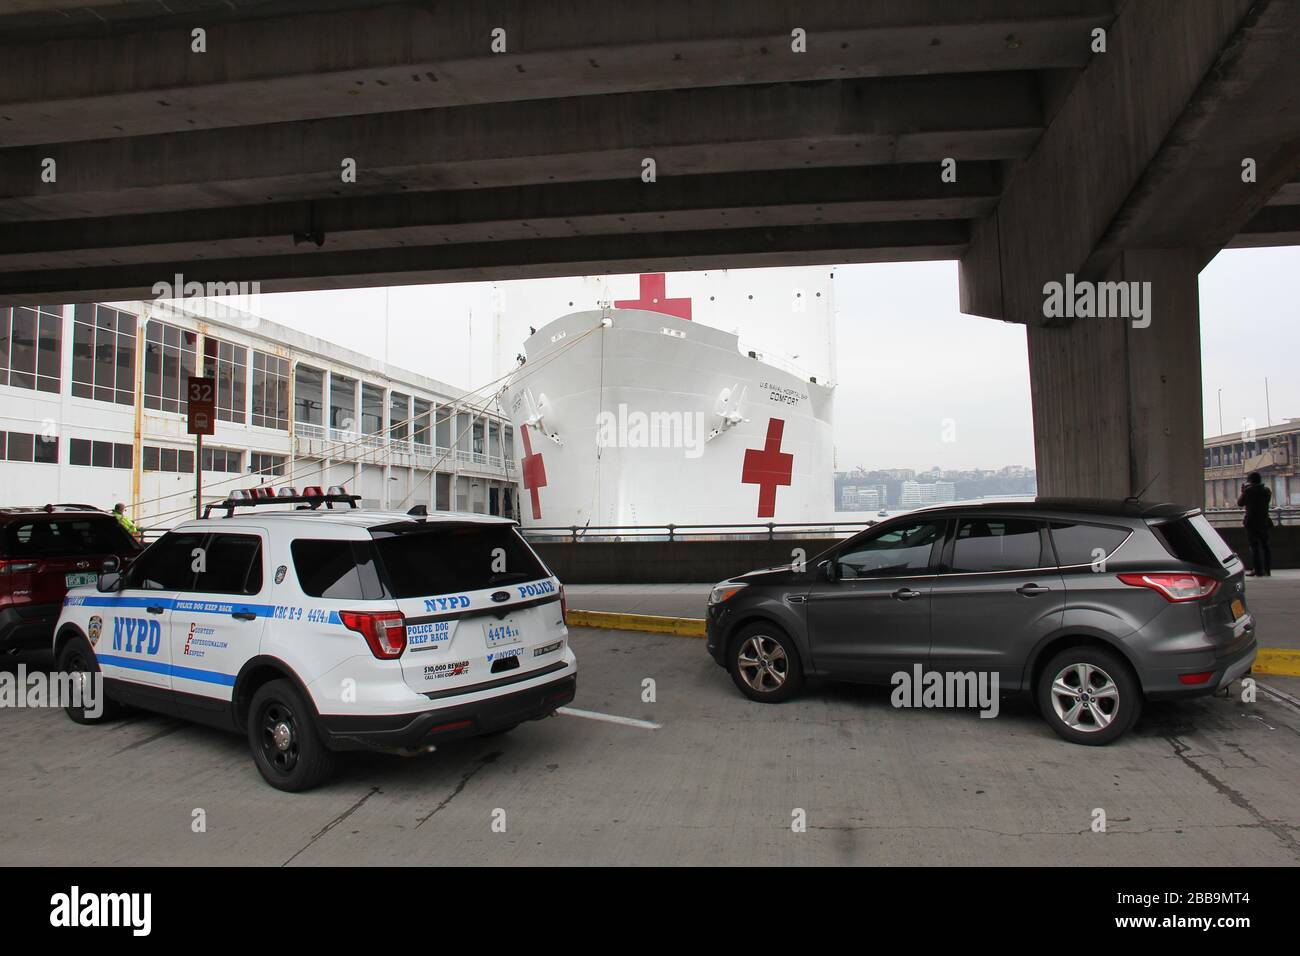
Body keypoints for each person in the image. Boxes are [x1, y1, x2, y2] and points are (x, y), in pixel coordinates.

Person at [1236, 472, 1272, 577]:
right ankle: (1267, 570)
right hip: (1264, 522)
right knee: (1265, 547)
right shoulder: (1267, 491)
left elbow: (1240, 503)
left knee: (1254, 547)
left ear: (1250, 481)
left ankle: (1257, 570)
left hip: (1251, 523)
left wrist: (1243, 492)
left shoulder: (1249, 491)